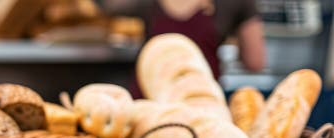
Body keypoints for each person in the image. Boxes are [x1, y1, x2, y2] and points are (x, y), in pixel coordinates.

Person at [100, 0, 266, 94]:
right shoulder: (237, 3)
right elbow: (255, 62)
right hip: (203, 104)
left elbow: (105, 6)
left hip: (148, 104)